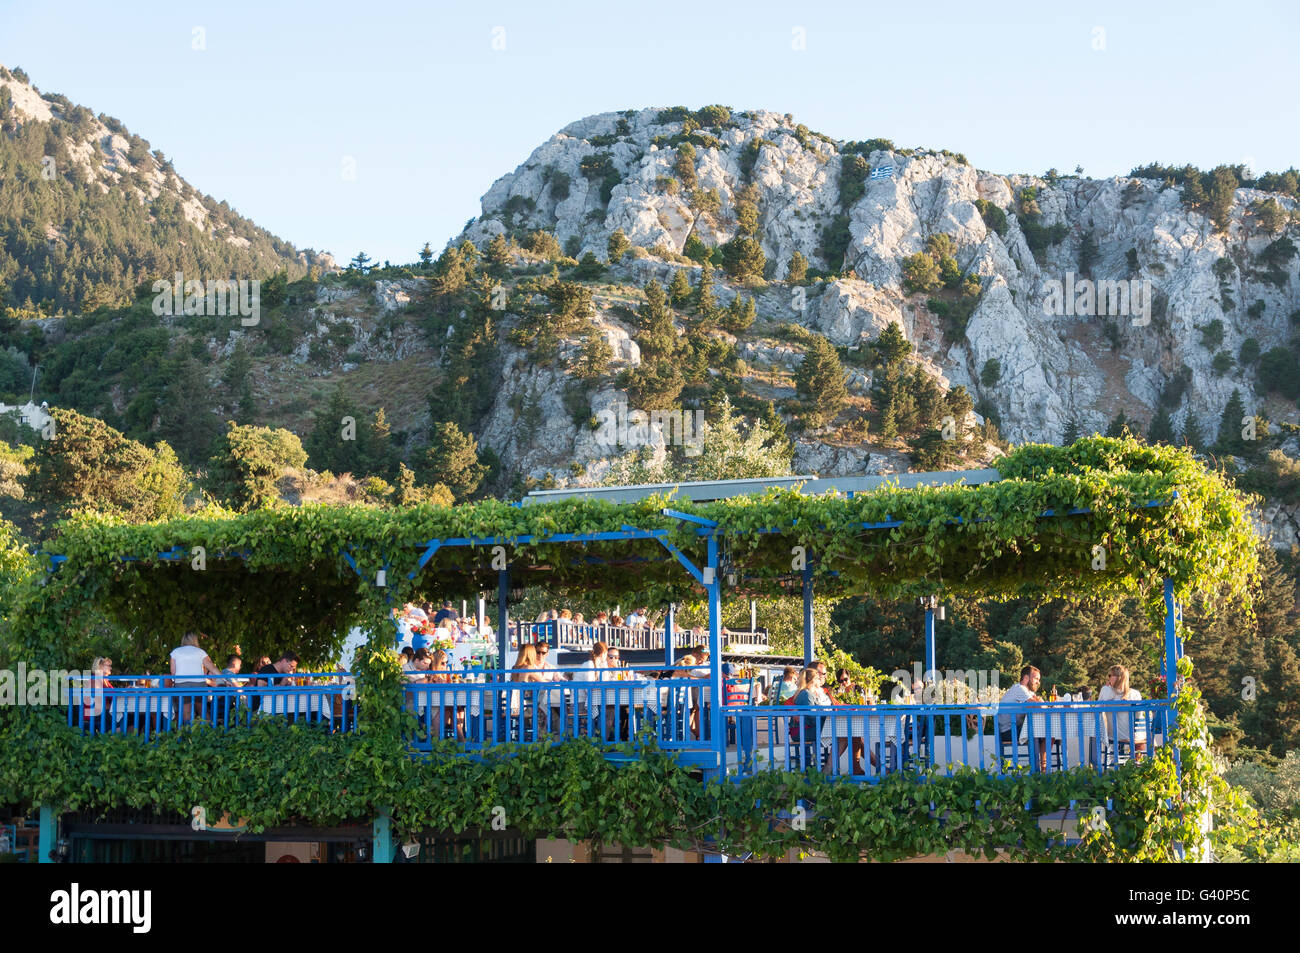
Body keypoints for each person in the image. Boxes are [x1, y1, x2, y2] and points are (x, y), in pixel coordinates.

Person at [997, 665, 1047, 770]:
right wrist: (1039, 702)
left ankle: (1042, 767)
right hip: (1008, 731)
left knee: (1047, 733)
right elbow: (1040, 706)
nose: (1038, 682)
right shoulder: (1019, 688)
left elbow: (1037, 706)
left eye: (1039, 679)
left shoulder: (1027, 692)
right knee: (1046, 733)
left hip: (1014, 729)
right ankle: (1041, 768)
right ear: (1026, 678)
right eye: (1036, 678)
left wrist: (1038, 702)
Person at [170, 633, 221, 724]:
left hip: (182, 684)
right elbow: (212, 667)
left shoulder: (175, 652)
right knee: (202, 710)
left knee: (186, 712)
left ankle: (188, 734)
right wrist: (224, 679)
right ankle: (208, 732)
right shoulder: (200, 652)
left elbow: (173, 672)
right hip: (199, 684)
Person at [1100, 665, 1146, 761]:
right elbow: (1139, 715)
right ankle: (1137, 764)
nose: (1108, 679)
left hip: (1117, 735)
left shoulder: (1106, 690)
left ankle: (1117, 765)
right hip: (1137, 735)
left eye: (1110, 675)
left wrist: (1107, 687)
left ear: (1117, 678)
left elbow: (1098, 709)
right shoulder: (1135, 694)